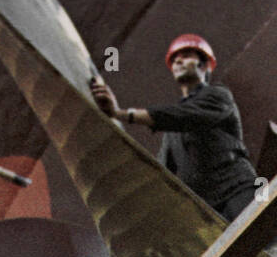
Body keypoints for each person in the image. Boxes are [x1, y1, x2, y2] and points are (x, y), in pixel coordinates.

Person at [88, 34, 260, 221]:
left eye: (186, 55)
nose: (178, 60)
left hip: (238, 193)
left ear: (205, 65)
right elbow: (161, 174)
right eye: (175, 58)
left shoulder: (218, 96)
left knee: (257, 241)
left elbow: (184, 116)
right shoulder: (172, 131)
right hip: (208, 210)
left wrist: (120, 113)